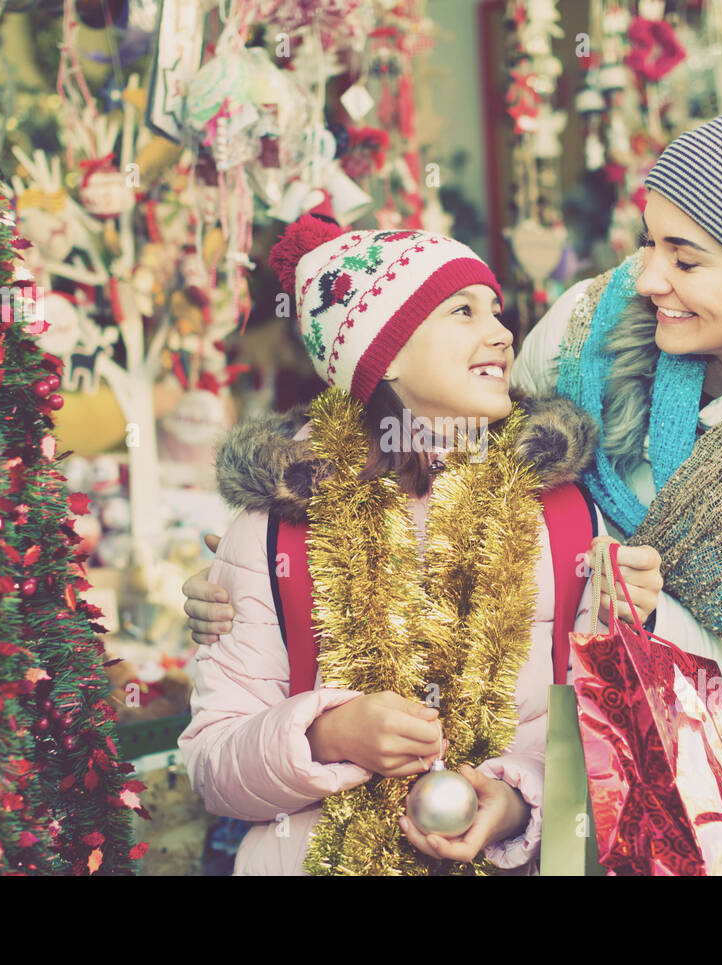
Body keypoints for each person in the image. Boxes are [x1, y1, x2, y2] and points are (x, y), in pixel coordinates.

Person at [185, 86, 722, 874]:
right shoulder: (588, 334)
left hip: (717, 811)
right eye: (649, 241)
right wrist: (270, 553)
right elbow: (462, 453)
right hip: (554, 814)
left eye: (685, 257)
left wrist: (645, 621)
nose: (645, 278)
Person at [178, 215, 607, 875]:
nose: (501, 331)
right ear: (389, 353)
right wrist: (327, 734)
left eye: (496, 309)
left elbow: (597, 737)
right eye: (463, 310)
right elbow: (213, 764)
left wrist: (515, 804)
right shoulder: (278, 527)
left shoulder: (563, 516)